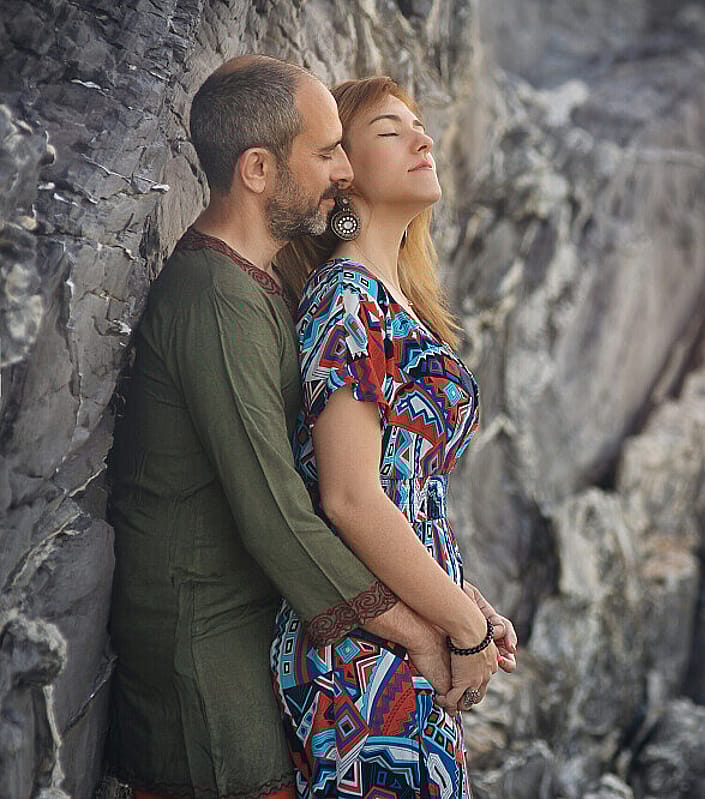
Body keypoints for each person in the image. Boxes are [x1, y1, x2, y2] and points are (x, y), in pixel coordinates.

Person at [106, 56, 486, 798]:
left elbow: (343, 234)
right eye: (327, 151)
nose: (341, 168)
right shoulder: (219, 299)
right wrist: (426, 633)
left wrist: (463, 609)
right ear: (256, 170)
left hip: (274, 625)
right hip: (204, 656)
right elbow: (287, 511)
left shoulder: (271, 276)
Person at [269, 75, 517, 799]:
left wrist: (470, 604)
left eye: (419, 124)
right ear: (342, 177)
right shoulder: (349, 298)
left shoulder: (393, 299)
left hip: (410, 633)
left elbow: (412, 495)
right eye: (390, 130)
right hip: (363, 655)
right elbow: (348, 498)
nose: (423, 138)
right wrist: (463, 627)